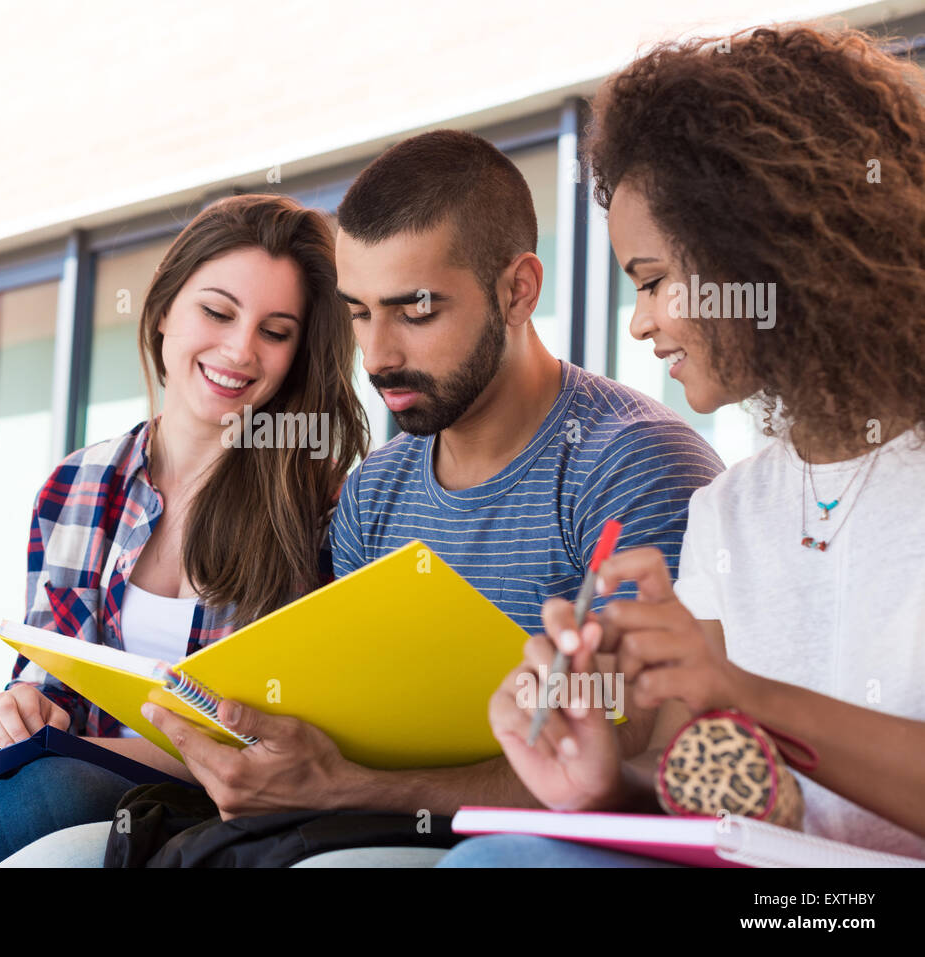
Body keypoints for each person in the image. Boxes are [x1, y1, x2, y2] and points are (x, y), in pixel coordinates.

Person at [136, 129, 724, 867]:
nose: (378, 355)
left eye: (415, 311)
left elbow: (631, 761)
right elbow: (354, 727)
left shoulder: (633, 467)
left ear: (518, 290)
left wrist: (351, 787)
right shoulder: (372, 494)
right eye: (359, 312)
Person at [443, 23, 925, 867]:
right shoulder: (731, 510)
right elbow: (713, 801)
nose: (640, 322)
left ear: (768, 249)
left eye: (656, 281)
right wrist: (598, 780)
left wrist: (744, 691)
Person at [0, 193, 368, 867]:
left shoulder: (319, 508)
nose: (240, 348)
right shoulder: (76, 484)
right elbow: (50, 677)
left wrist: (40, 755)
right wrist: (15, 712)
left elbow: (264, 744)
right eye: (218, 311)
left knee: (53, 788)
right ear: (165, 309)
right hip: (51, 775)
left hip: (190, 803)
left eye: (275, 331)